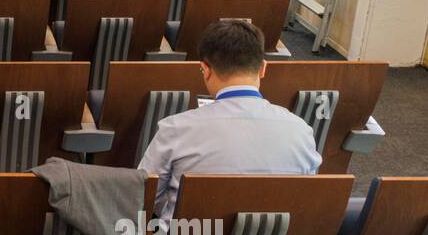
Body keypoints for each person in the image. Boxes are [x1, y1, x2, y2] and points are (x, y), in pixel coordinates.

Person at [138, 19, 322, 223]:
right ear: (262, 68)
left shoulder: (175, 128)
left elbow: (142, 198)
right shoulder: (301, 130)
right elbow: (305, 198)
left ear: (205, 70)